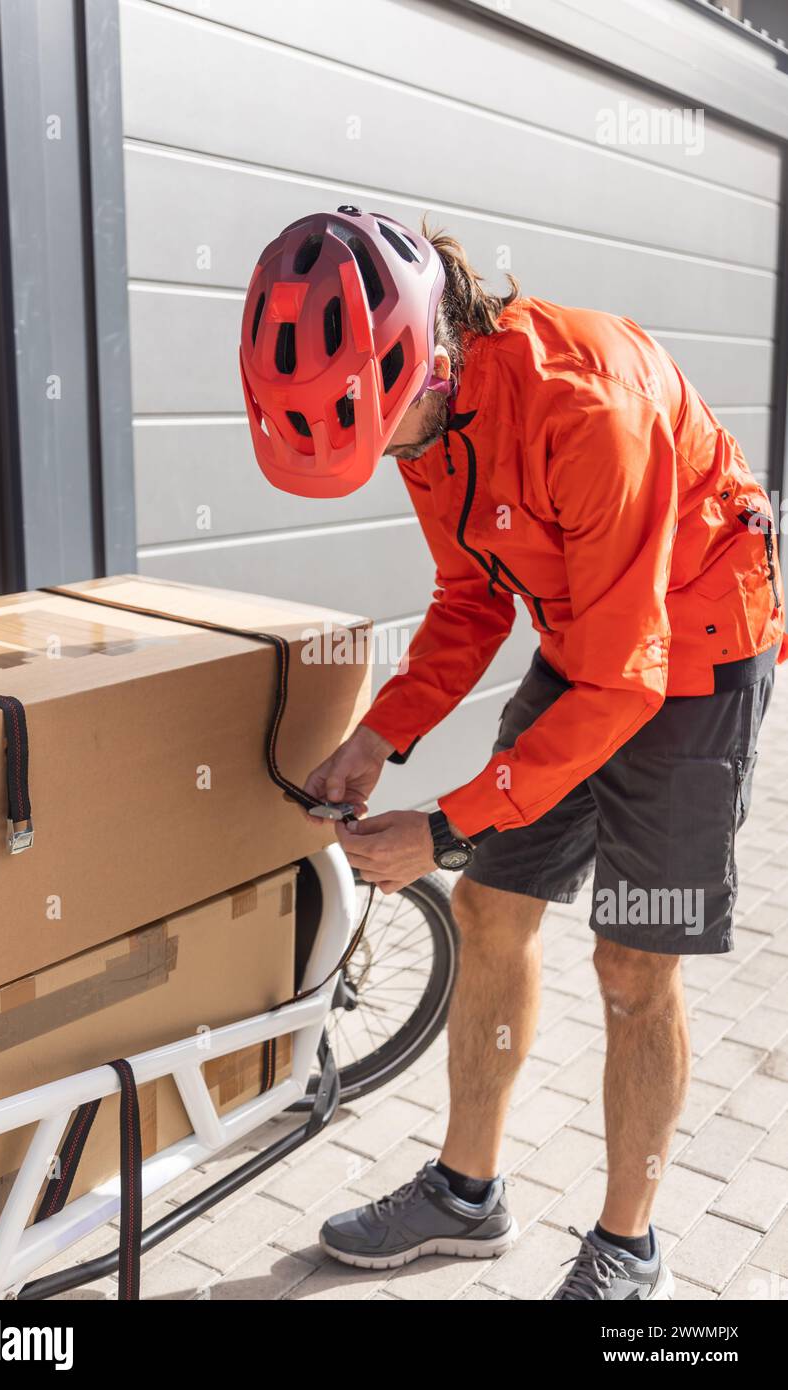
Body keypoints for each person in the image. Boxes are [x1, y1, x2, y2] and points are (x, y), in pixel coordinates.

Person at [239, 207, 785, 1300]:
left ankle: (627, 1247)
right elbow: (468, 598)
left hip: (694, 650)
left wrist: (444, 823)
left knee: (630, 964)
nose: (388, 452)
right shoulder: (424, 420)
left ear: (429, 365)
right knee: (491, 908)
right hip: (592, 639)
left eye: (382, 428)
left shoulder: (588, 408)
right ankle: (464, 1195)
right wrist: (380, 735)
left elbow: (627, 678)